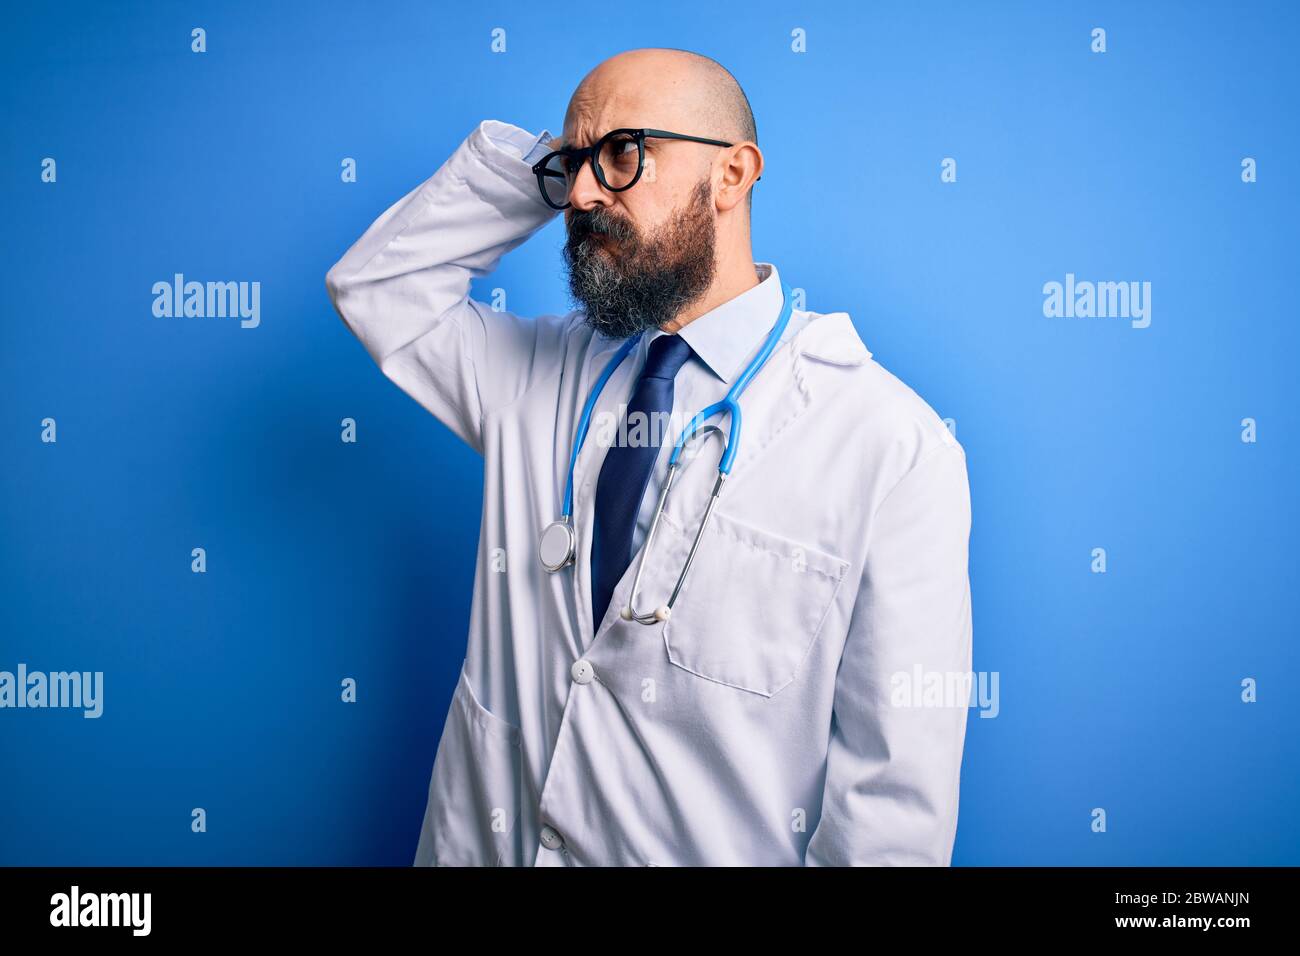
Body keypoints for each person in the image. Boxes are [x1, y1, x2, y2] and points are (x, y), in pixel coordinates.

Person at [325, 47, 973, 866]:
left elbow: (891, 823)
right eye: (572, 168)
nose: (585, 195)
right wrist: (545, 166)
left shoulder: (890, 447)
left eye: (624, 155)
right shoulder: (536, 374)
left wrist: (584, 158)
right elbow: (379, 290)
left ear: (733, 176)